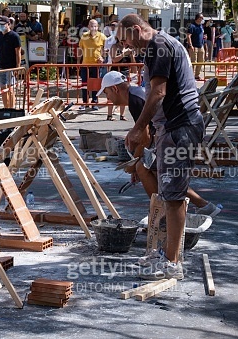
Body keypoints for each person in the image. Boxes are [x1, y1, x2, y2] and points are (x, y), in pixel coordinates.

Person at [117, 14, 205, 280]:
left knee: (174, 196)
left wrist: (139, 127)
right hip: (173, 127)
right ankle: (168, 254)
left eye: (126, 40)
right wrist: (152, 132)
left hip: (181, 127)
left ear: (136, 30)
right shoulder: (159, 46)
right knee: (168, 193)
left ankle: (172, 263)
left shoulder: (159, 45)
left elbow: (158, 92)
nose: (128, 48)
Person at [98, 70, 221, 218]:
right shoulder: (135, 95)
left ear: (115, 89)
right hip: (177, 132)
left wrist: (133, 163)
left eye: (106, 93)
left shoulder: (135, 100)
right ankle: (203, 206)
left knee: (145, 169)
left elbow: (145, 138)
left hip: (176, 134)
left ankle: (162, 212)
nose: (108, 98)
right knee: (158, 174)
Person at [77, 19, 106, 111]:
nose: (94, 27)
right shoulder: (84, 36)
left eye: (96, 26)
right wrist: (78, 63)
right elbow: (80, 50)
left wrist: (103, 58)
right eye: (92, 26)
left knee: (95, 85)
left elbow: (106, 49)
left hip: (96, 65)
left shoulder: (102, 36)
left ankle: (94, 103)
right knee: (84, 84)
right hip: (85, 65)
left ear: (98, 27)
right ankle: (85, 103)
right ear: (88, 27)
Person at [0, 16, 21, 108]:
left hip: (11, 66)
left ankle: (11, 108)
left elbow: (18, 53)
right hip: (0, 66)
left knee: (10, 88)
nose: (1, 26)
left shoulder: (14, 36)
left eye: (3, 24)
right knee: (3, 89)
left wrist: (17, 67)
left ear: (8, 24)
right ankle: (6, 107)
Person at [187, 13, 205, 81]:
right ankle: (191, 76)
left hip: (201, 46)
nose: (202, 19)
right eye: (201, 18)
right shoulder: (192, 26)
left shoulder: (201, 26)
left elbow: (201, 35)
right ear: (197, 18)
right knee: (193, 61)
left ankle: (197, 75)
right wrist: (190, 45)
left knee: (201, 61)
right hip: (194, 46)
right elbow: (188, 36)